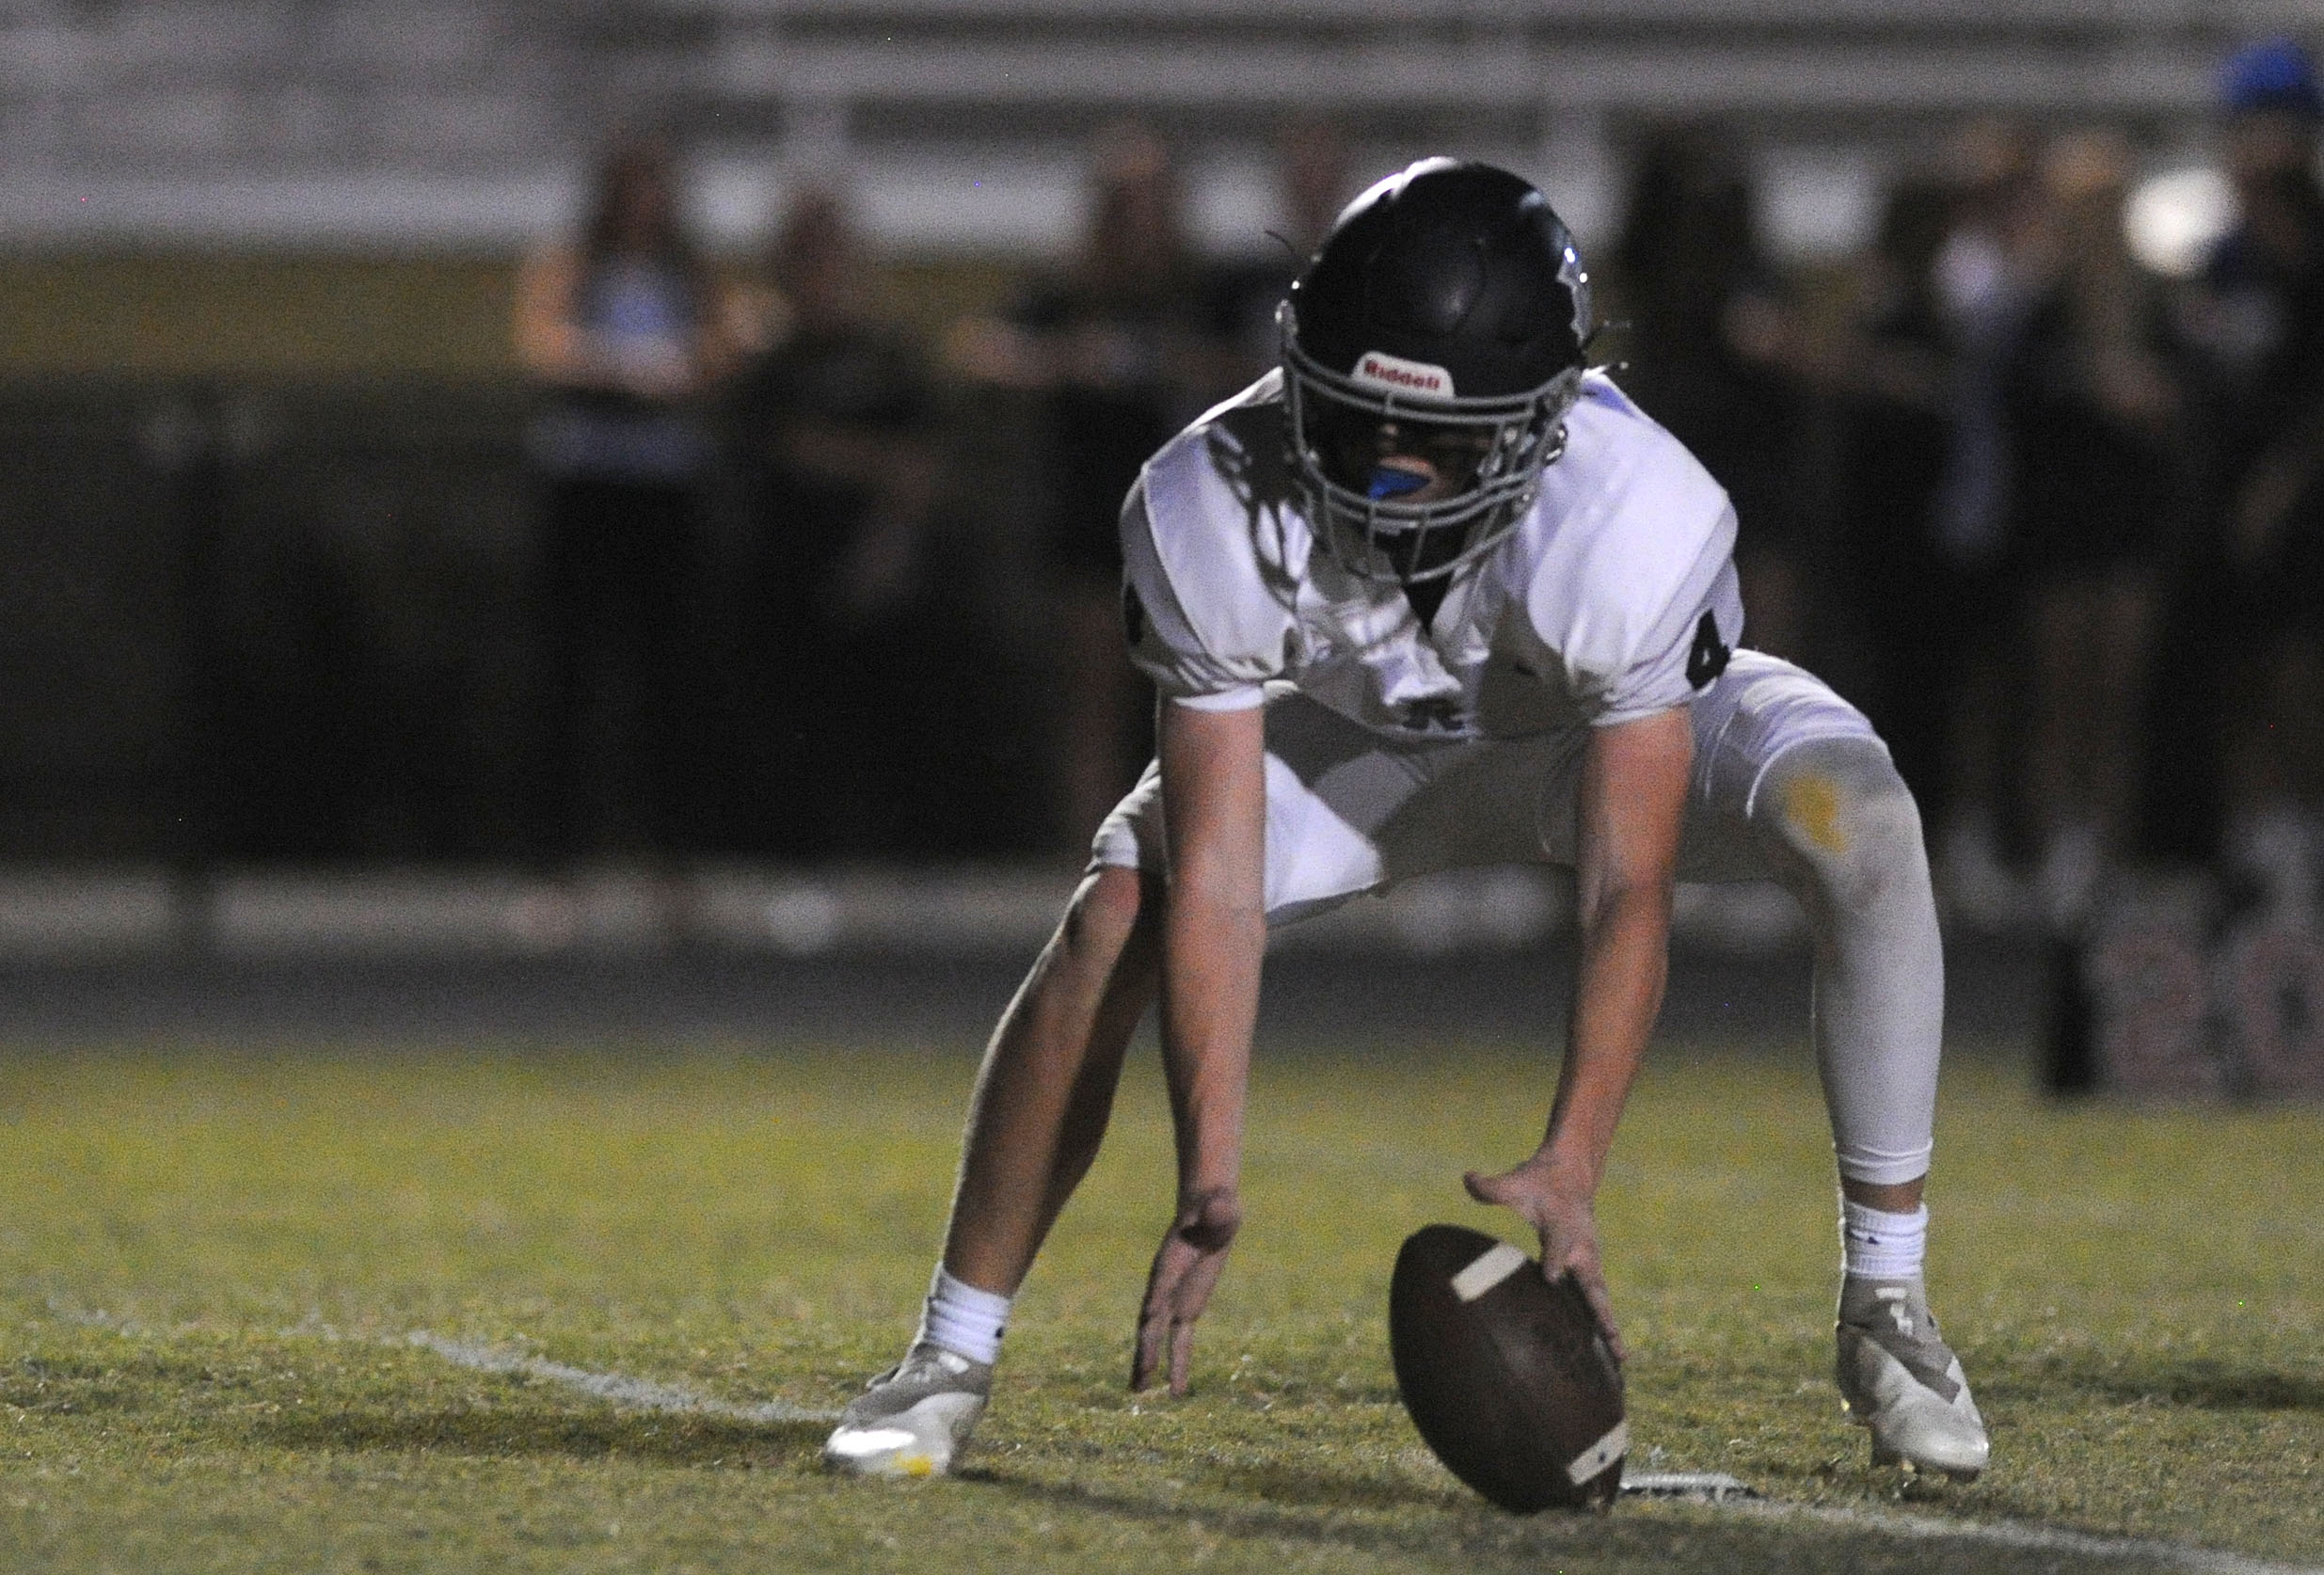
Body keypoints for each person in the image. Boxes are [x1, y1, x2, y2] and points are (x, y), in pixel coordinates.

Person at [822, 161, 1989, 1484]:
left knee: (1864, 823)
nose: (1386, 468)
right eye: (1357, 416)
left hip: (1580, 734)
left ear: (1542, 421)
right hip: (1362, 750)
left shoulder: (1633, 519)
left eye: (1431, 436)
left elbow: (1623, 889)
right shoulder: (1207, 498)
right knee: (1119, 908)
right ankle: (948, 1353)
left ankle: (1885, 1309)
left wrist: (1571, 1159)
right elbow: (1214, 877)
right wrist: (1210, 1164)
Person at [513, 134, 753, 866]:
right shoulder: (573, 262)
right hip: (587, 483)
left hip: (666, 488)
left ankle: (671, 864)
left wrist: (692, 364)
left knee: (671, 683)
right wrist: (626, 370)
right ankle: (556, 864)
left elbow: (724, 343)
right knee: (570, 678)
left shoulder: (689, 271)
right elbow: (541, 342)